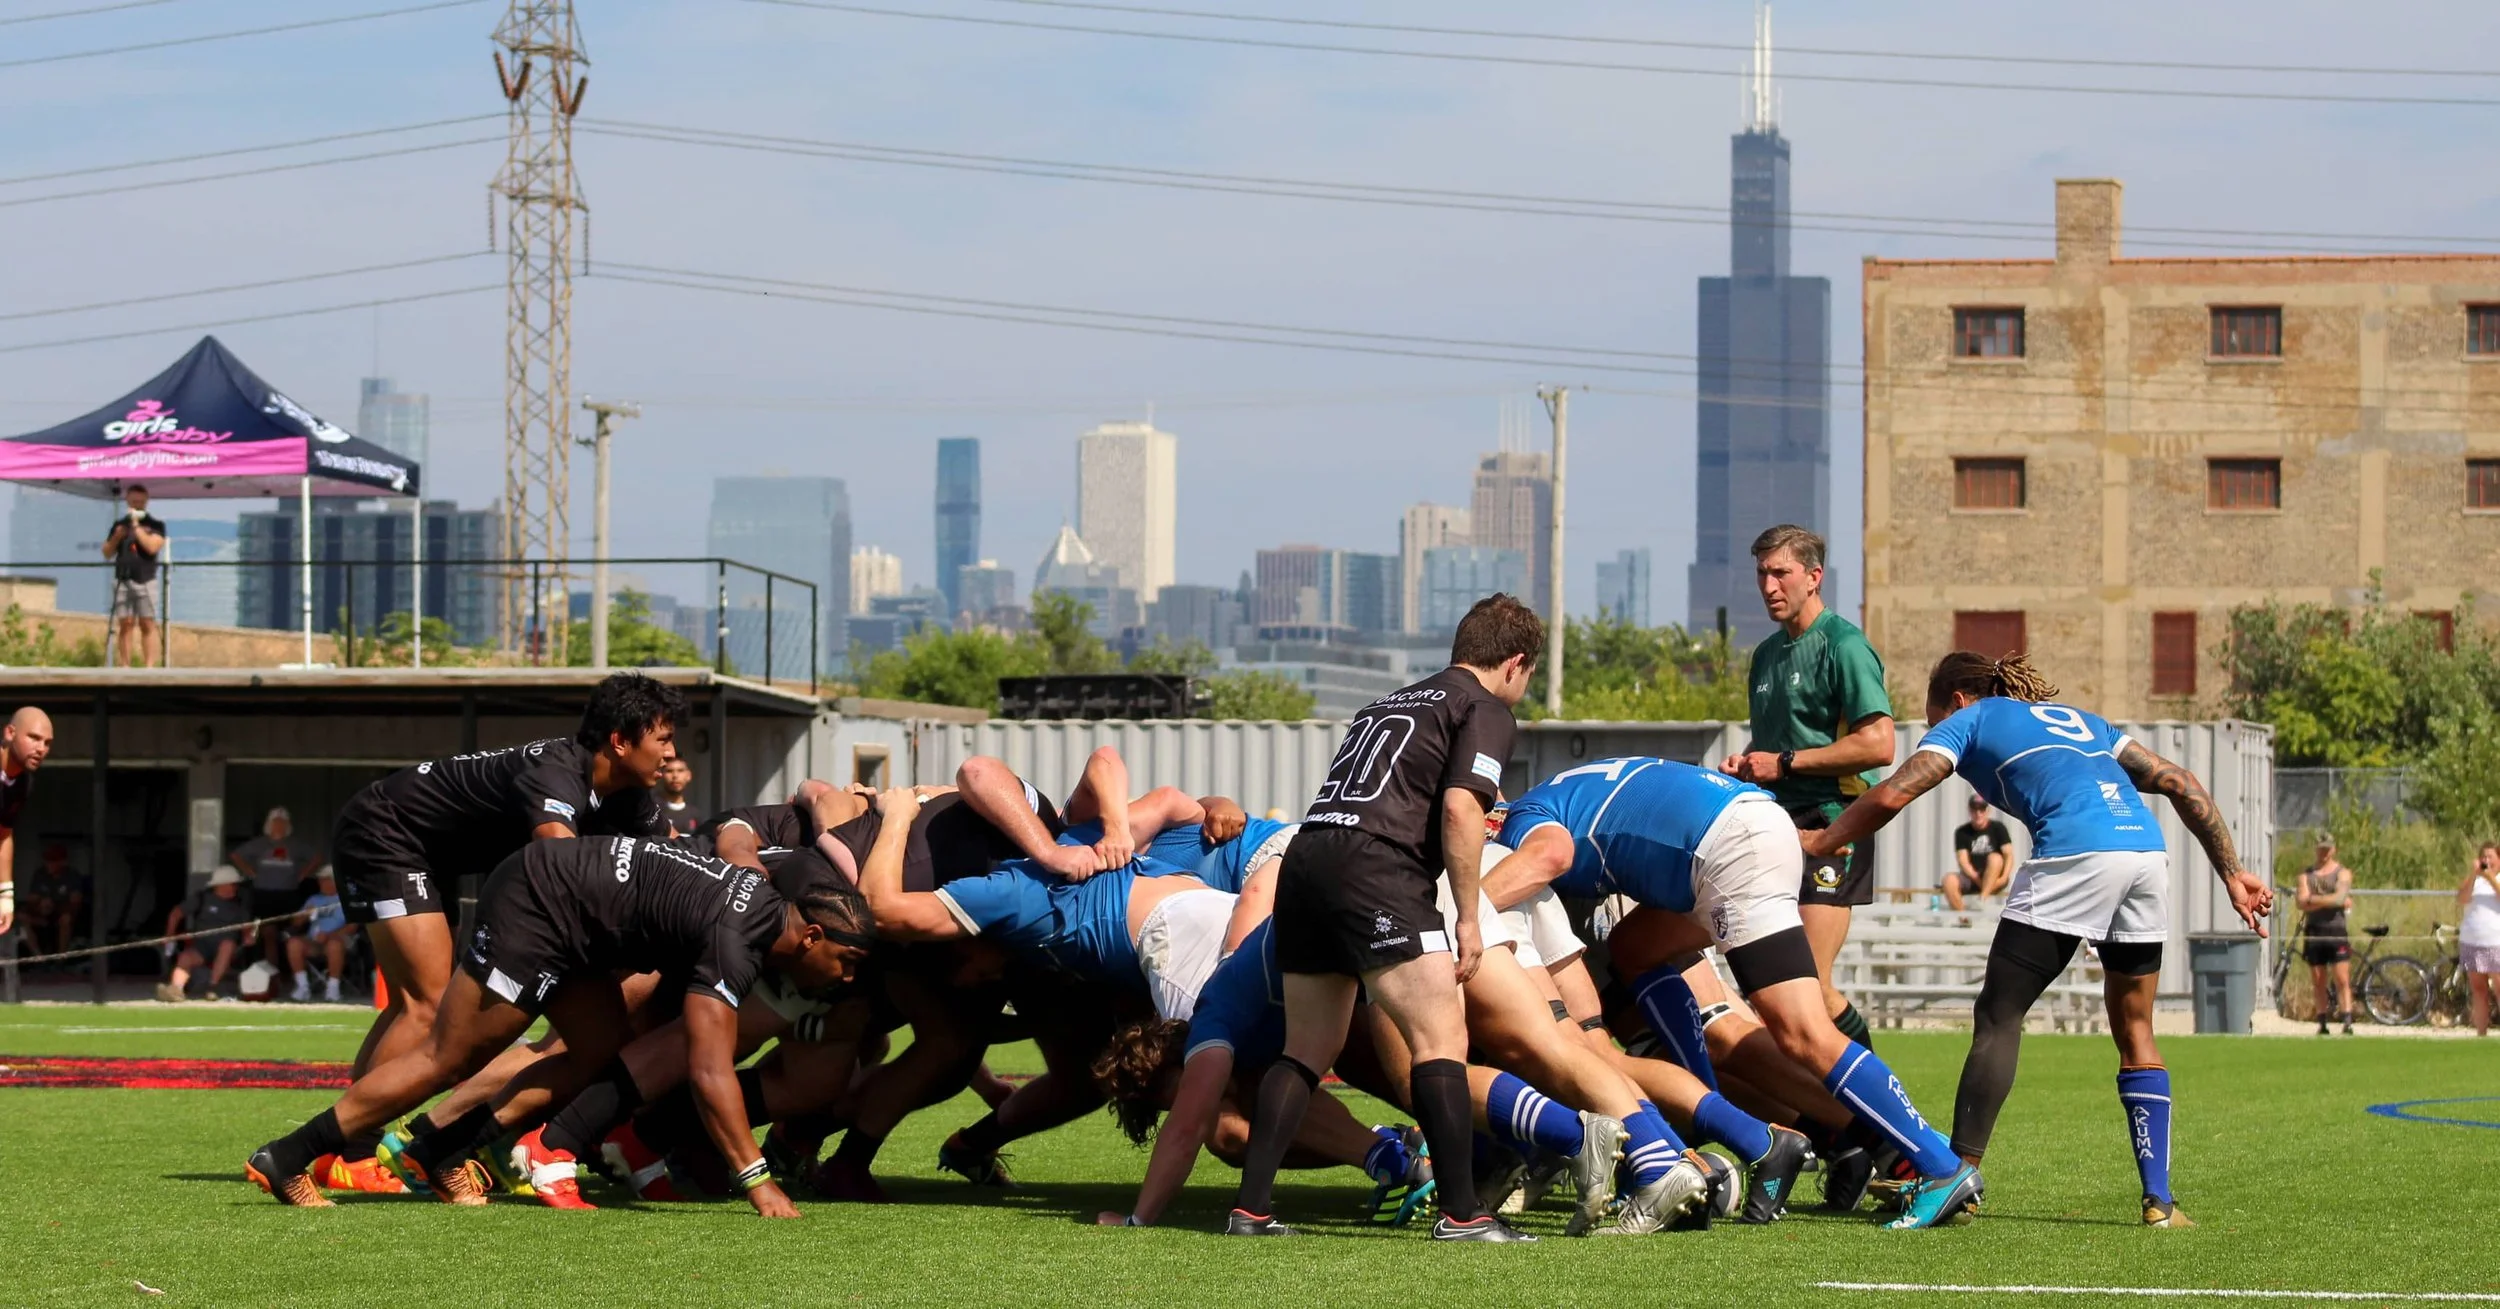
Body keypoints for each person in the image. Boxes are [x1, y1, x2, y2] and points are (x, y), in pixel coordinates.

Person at [1807, 651, 2272, 1230]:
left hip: (2077, 852)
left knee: (1999, 1014)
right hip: (2145, 854)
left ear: (1954, 700)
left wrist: (1822, 841)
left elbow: (1896, 792)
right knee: (2136, 1030)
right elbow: (2180, 781)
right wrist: (2232, 873)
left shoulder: (1970, 719)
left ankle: (1955, 1176)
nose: (1932, 731)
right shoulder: (2084, 721)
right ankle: (2160, 1201)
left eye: (1932, 720)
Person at [244, 835, 875, 1211]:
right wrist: (756, 1180)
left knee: (601, 1049)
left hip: (571, 915)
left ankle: (441, 1149)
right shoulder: (739, 939)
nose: (846, 978)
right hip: (540, 905)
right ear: (811, 934)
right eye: (845, 962)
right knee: (451, 1056)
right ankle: (290, 1154)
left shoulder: (761, 913)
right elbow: (709, 1071)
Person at [1485, 755, 1960, 1229]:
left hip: (1724, 851)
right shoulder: (1561, 789)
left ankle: (1936, 1163)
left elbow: (1549, 855)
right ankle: (1731, 1129)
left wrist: (1465, 916)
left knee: (1802, 1032)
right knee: (1636, 949)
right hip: (1736, 832)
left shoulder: (1526, 821)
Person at [1227, 593, 1542, 1242]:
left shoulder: (1391, 701)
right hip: (1377, 871)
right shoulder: (1483, 706)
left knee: (1307, 1048)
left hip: (1306, 861)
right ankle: (1462, 1214)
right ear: (1516, 662)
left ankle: (1251, 1210)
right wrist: (1470, 919)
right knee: (1441, 1037)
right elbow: (1460, 809)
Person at [318, 671, 682, 1191]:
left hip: (426, 851)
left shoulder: (626, 791)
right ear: (621, 742)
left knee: (419, 1004)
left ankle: (377, 1145)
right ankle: (348, 1155)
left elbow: (680, 854)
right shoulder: (557, 773)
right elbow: (557, 862)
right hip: (385, 831)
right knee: (424, 1004)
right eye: (664, 738)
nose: (672, 752)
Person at [1717, 525, 1894, 1052]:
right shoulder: (1767, 657)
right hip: (1775, 828)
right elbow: (1777, 749)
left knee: (1808, 989)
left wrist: (1786, 763)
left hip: (1833, 822)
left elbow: (1880, 744)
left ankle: (1872, 1107)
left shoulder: (1844, 645)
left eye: (1781, 573)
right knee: (1771, 992)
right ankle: (1822, 1115)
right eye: (1762, 574)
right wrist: (1750, 763)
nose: (1769, 585)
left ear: (1814, 577)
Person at [231, 808, 320, 978]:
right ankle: (274, 975)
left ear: (287, 825)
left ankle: (294, 973)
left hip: (289, 894)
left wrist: (304, 873)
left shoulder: (295, 844)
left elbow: (316, 857)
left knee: (290, 933)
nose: (278, 825)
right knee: (268, 934)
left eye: (282, 822)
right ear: (269, 824)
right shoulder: (259, 843)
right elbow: (236, 855)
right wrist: (249, 871)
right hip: (264, 894)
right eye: (275, 822)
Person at [0, 707, 56, 941]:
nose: (41, 748)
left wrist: (5, 896)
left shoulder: (23, 783)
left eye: (47, 743)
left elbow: (3, 835)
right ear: (10, 733)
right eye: (33, 738)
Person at [161, 867, 254, 1001]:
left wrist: (248, 936)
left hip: (228, 947)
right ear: (220, 885)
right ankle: (176, 990)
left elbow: (246, 925)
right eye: (232, 884)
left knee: (227, 945)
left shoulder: (241, 901)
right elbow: (176, 914)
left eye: (236, 884)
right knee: (185, 957)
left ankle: (213, 987)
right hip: (202, 946)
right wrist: (169, 935)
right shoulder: (202, 897)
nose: (235, 887)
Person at [100, 483, 166, 669]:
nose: (136, 505)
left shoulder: (156, 525)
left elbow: (153, 546)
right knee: (126, 623)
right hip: (122, 579)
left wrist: (137, 529)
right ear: (127, 501)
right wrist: (117, 537)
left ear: (146, 502)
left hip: (146, 579)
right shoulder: (119, 525)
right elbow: (106, 552)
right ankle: (125, 664)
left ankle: (149, 665)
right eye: (133, 502)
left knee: (147, 623)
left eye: (140, 502)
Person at [2297, 837, 2355, 1035]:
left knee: (2342, 978)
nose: (2324, 853)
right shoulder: (2306, 875)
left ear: (2333, 850)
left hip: (2336, 930)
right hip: (2314, 930)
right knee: (2318, 979)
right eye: (2321, 849)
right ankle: (2322, 1021)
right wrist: (2332, 900)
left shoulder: (2343, 872)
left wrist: (2314, 899)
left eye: (2327, 849)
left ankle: (2347, 1019)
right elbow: (2302, 902)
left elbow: (2340, 897)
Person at [286, 869, 355, 1003]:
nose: (322, 884)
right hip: (314, 941)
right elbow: (295, 923)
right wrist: (305, 914)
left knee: (334, 944)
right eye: (321, 881)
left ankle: (333, 988)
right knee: (293, 943)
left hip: (341, 940)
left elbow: (352, 927)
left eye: (326, 880)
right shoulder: (314, 899)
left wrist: (329, 935)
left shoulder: (348, 899)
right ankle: (302, 987)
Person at [2459, 844, 2500, 1038]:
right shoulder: (2474, 880)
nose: (2487, 861)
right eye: (2483, 857)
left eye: (2490, 856)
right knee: (2478, 988)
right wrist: (2474, 875)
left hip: (2495, 942)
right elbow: (2462, 898)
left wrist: (2490, 877)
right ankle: (2481, 1033)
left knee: (2499, 986)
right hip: (2471, 940)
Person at [1945, 798, 2014, 912]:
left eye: (1981, 810)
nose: (1978, 814)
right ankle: (1963, 918)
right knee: (1948, 880)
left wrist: (2004, 877)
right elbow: (1963, 861)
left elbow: (2008, 855)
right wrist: (1977, 879)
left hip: (1995, 879)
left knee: (1995, 858)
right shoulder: (1962, 832)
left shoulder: (1998, 828)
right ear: (1969, 811)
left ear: (1987, 811)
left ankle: (1982, 899)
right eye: (1974, 810)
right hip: (1973, 877)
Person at [21, 843, 87, 959]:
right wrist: (40, 906)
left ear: (63, 862)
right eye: (47, 860)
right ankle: (38, 958)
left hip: (61, 916)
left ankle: (60, 959)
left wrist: (54, 906)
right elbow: (31, 901)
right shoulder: (40, 874)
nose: (49, 864)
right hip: (41, 916)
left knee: (65, 920)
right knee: (22, 917)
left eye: (53, 861)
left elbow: (76, 904)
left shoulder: (72, 876)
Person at [657, 759, 701, 840]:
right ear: (661, 775)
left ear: (688, 775)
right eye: (669, 771)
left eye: (680, 771)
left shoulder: (696, 814)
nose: (675, 776)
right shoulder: (654, 811)